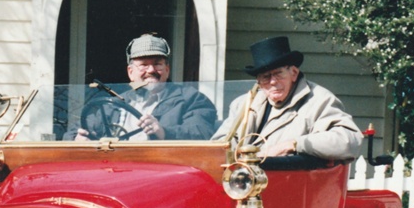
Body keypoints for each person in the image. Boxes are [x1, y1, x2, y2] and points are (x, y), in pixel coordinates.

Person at [212, 36, 362, 162]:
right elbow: (219, 144)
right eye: (265, 77)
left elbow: (349, 140)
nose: (272, 82)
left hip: (293, 187)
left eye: (278, 74)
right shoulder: (243, 104)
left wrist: (294, 144)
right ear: (258, 81)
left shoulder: (319, 101)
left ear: (294, 73)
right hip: (242, 188)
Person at [70, 34, 217, 141]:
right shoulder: (114, 104)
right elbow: (74, 131)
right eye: (144, 65)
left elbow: (204, 133)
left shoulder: (191, 99)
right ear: (131, 72)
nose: (151, 70)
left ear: (167, 69)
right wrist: (77, 139)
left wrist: (164, 132)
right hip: (115, 169)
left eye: (158, 64)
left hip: (162, 171)